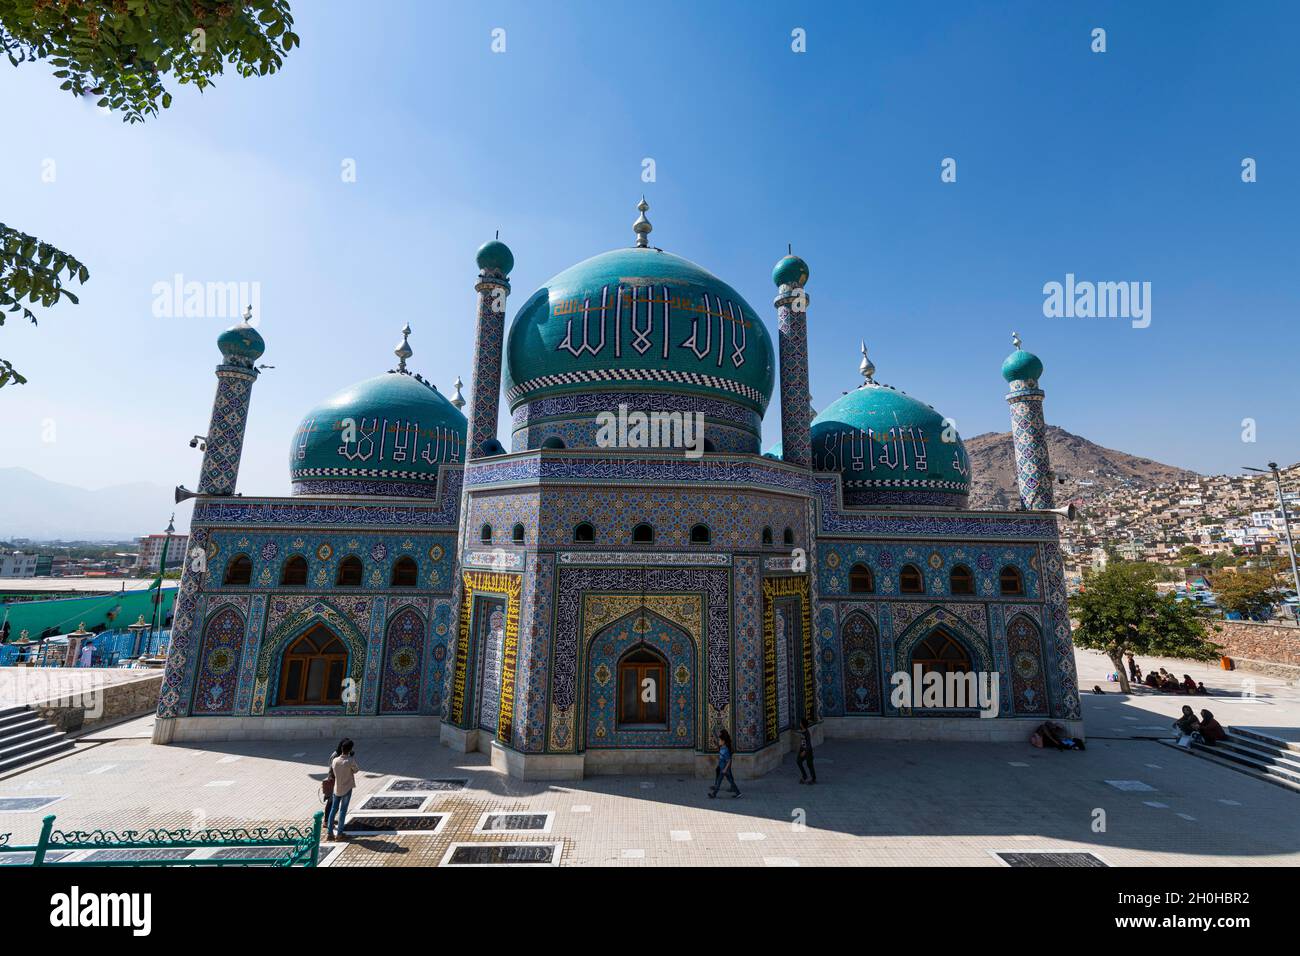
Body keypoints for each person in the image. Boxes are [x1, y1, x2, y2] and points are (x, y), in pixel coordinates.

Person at [325, 739, 359, 840]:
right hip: (347, 788)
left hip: (337, 788)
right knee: (343, 811)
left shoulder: (335, 760)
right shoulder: (350, 761)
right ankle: (339, 834)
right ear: (350, 750)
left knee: (333, 810)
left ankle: (329, 833)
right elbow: (356, 770)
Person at [708, 729, 740, 798]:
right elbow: (719, 751)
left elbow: (729, 760)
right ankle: (738, 793)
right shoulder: (722, 747)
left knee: (722, 781)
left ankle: (714, 794)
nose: (719, 741)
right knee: (730, 781)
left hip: (725, 768)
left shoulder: (726, 749)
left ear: (723, 741)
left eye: (719, 740)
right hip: (722, 767)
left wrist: (725, 769)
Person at [795, 717, 816, 784]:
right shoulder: (802, 731)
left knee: (809, 764)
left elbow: (809, 744)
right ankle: (804, 776)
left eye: (801, 723)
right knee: (798, 761)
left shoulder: (807, 733)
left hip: (808, 751)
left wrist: (805, 751)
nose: (800, 723)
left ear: (803, 724)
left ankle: (813, 779)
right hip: (802, 749)